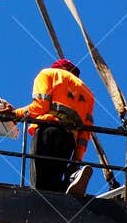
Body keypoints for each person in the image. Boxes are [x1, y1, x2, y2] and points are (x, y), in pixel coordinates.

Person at [8, 58, 95, 194]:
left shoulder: (48, 74)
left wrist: (14, 114)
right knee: (54, 181)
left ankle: (68, 183)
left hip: (47, 131)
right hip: (69, 140)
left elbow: (40, 106)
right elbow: (85, 132)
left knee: (40, 186)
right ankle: (71, 179)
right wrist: (76, 160)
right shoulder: (88, 93)